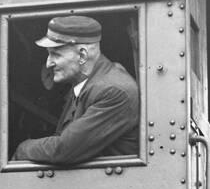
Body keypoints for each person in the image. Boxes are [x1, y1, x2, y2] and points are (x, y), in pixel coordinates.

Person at [13, 15, 139, 165]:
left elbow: (63, 149)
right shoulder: (86, 83)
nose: (48, 64)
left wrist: (22, 148)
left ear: (82, 55)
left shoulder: (113, 91)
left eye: (55, 54)